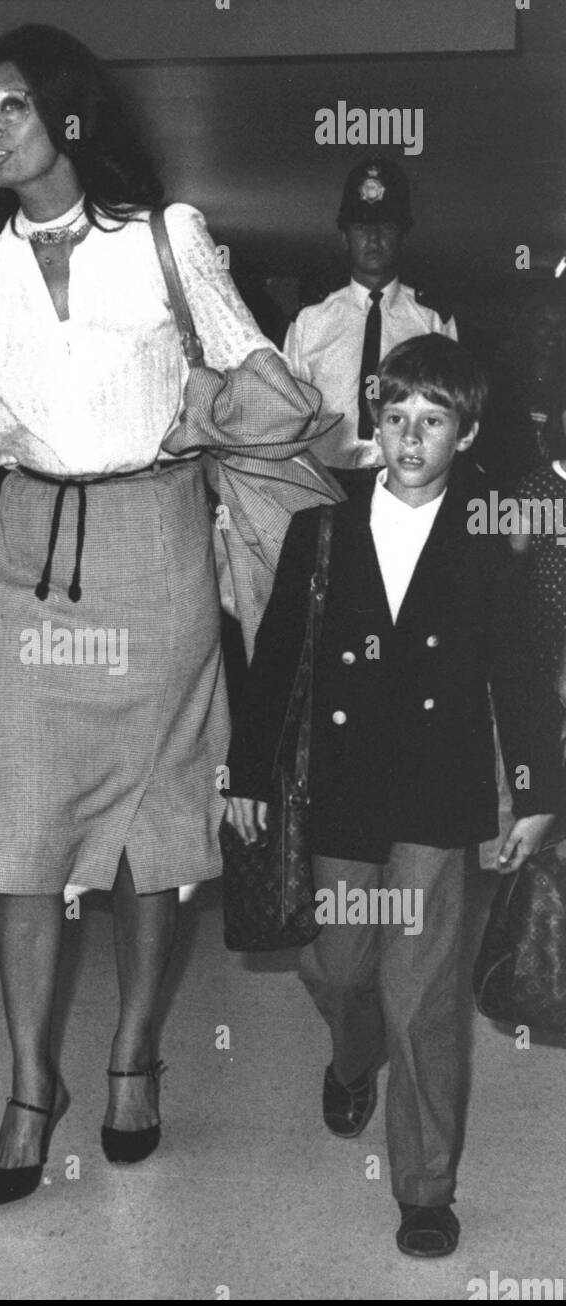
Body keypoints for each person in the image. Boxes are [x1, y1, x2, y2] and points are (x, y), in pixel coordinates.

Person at [0, 23, 312, 1204]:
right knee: (27, 838)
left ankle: (132, 1053)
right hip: (32, 560)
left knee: (151, 831)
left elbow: (255, 367)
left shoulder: (165, 239)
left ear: (67, 113)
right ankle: (33, 1087)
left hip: (158, 546)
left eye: (7, 104)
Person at [224, 335, 564, 1257]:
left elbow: (522, 669)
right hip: (341, 790)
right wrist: (249, 774)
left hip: (436, 794)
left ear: (468, 433)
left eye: (434, 420)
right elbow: (276, 661)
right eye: (396, 415)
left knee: (423, 993)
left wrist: (534, 786)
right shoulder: (322, 529)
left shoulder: (492, 535)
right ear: (375, 421)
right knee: (340, 967)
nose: (411, 437)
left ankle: (424, 1188)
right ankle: (349, 1054)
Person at [285, 158, 457, 477]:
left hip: (403, 478)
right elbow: (290, 415)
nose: (374, 239)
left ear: (404, 237)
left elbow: (448, 412)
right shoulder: (310, 321)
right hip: (325, 478)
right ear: (344, 237)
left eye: (387, 227)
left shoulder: (434, 321)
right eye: (362, 228)